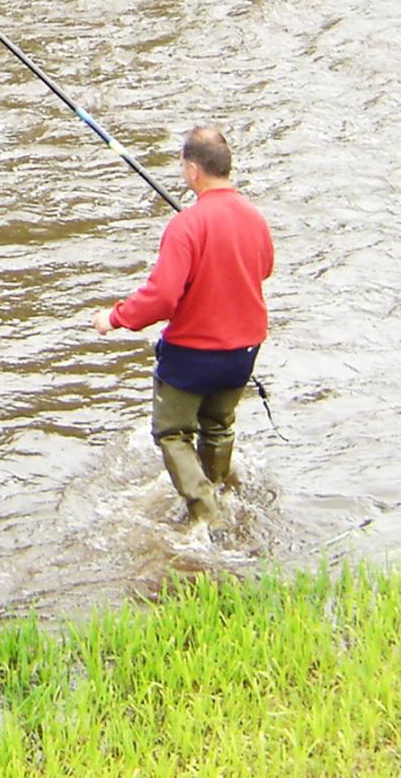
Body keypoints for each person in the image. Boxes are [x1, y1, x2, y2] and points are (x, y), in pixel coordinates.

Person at [92, 125, 273, 527]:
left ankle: (206, 514)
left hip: (193, 354)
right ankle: (218, 489)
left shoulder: (186, 226)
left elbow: (161, 298)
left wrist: (114, 317)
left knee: (172, 433)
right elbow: (263, 269)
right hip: (242, 352)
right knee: (219, 425)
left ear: (193, 171)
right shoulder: (255, 217)